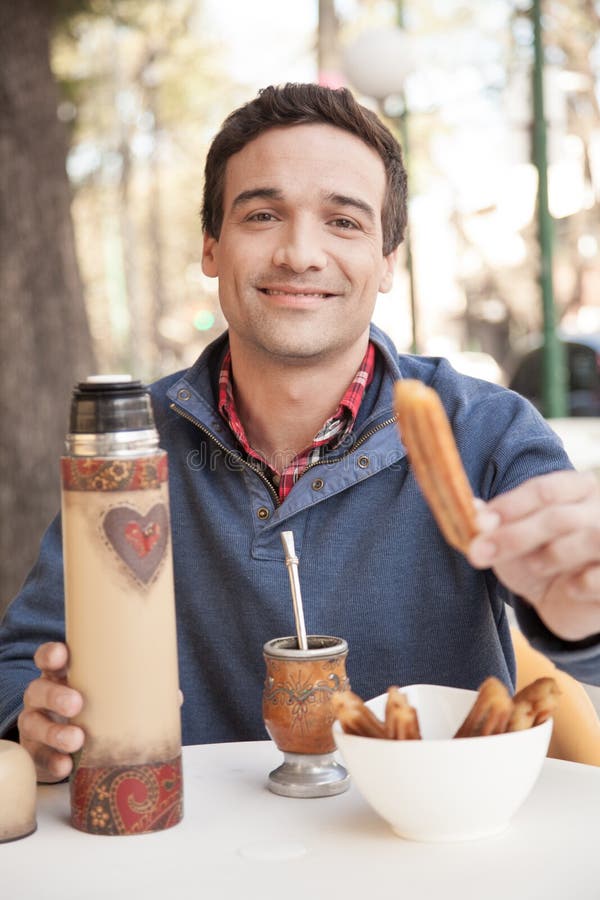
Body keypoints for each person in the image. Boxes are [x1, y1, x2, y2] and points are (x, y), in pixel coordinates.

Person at [1, 83, 599, 785]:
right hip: (191, 859)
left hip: (428, 852)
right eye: (262, 214)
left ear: (387, 262)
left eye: (344, 223)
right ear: (212, 246)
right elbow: (23, 660)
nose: (299, 253)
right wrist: (33, 720)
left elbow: (583, 638)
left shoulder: (490, 431)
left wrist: (579, 621)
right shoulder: (133, 445)